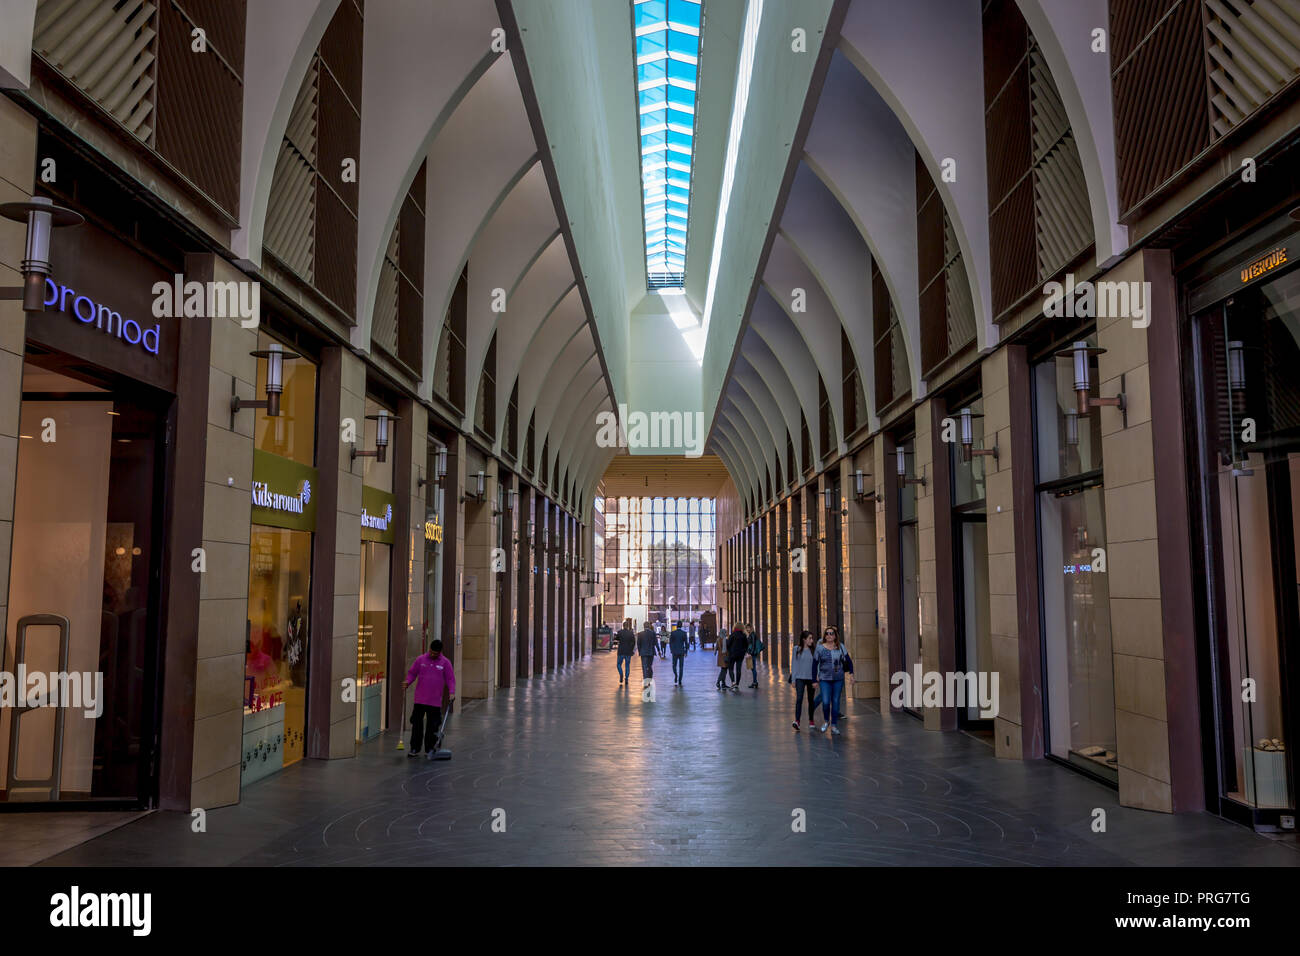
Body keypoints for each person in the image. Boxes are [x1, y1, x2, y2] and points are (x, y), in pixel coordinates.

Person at [403, 639, 456, 757]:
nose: (432, 655)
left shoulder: (445, 663)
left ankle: (430, 748)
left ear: (440, 652)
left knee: (432, 726)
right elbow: (412, 673)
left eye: (435, 653)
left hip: (435, 701)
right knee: (417, 724)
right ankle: (414, 748)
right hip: (420, 699)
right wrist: (407, 682)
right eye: (431, 652)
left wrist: (452, 692)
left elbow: (450, 679)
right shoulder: (420, 659)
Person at [813, 625, 853, 734]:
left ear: (835, 636)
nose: (829, 635)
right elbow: (815, 663)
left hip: (838, 679)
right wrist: (814, 679)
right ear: (824, 636)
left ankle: (834, 725)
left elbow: (848, 661)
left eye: (832, 633)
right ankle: (826, 721)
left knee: (835, 702)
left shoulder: (840, 647)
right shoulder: (820, 647)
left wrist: (851, 674)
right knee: (825, 702)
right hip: (824, 679)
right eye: (827, 633)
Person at [788, 631, 819, 731]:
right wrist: (793, 680)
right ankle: (797, 721)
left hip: (811, 679)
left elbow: (817, 665)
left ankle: (811, 720)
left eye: (812, 638)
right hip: (800, 678)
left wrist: (816, 678)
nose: (812, 640)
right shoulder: (796, 649)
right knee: (799, 699)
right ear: (804, 639)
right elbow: (794, 665)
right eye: (810, 638)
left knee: (811, 700)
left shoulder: (814, 650)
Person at [726, 623, 748, 691]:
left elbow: (728, 644)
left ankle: (733, 682)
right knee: (738, 669)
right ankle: (737, 684)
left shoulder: (732, 635)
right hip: (740, 655)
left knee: (731, 669)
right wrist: (743, 652)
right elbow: (746, 645)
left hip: (732, 654)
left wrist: (729, 650)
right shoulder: (744, 635)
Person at [615, 620, 636, 685]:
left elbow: (616, 639)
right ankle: (626, 678)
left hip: (621, 651)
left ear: (623, 626)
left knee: (618, 664)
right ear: (628, 626)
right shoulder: (631, 633)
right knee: (627, 665)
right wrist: (632, 650)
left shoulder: (620, 632)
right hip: (628, 652)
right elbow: (633, 642)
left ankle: (621, 674)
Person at [669, 620, 689, 685]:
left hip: (674, 652)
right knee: (681, 667)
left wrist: (671, 650)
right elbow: (686, 643)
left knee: (674, 665)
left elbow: (670, 643)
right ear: (681, 625)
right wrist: (686, 651)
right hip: (681, 652)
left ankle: (675, 675)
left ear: (677, 625)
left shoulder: (673, 633)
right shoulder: (684, 633)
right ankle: (680, 680)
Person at [746, 624, 765, 688]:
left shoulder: (752, 635)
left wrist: (750, 653)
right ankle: (755, 682)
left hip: (752, 654)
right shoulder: (751, 634)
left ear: (751, 628)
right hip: (752, 653)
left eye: (748, 628)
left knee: (753, 668)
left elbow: (753, 645)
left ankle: (755, 682)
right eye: (746, 628)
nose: (747, 629)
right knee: (752, 668)